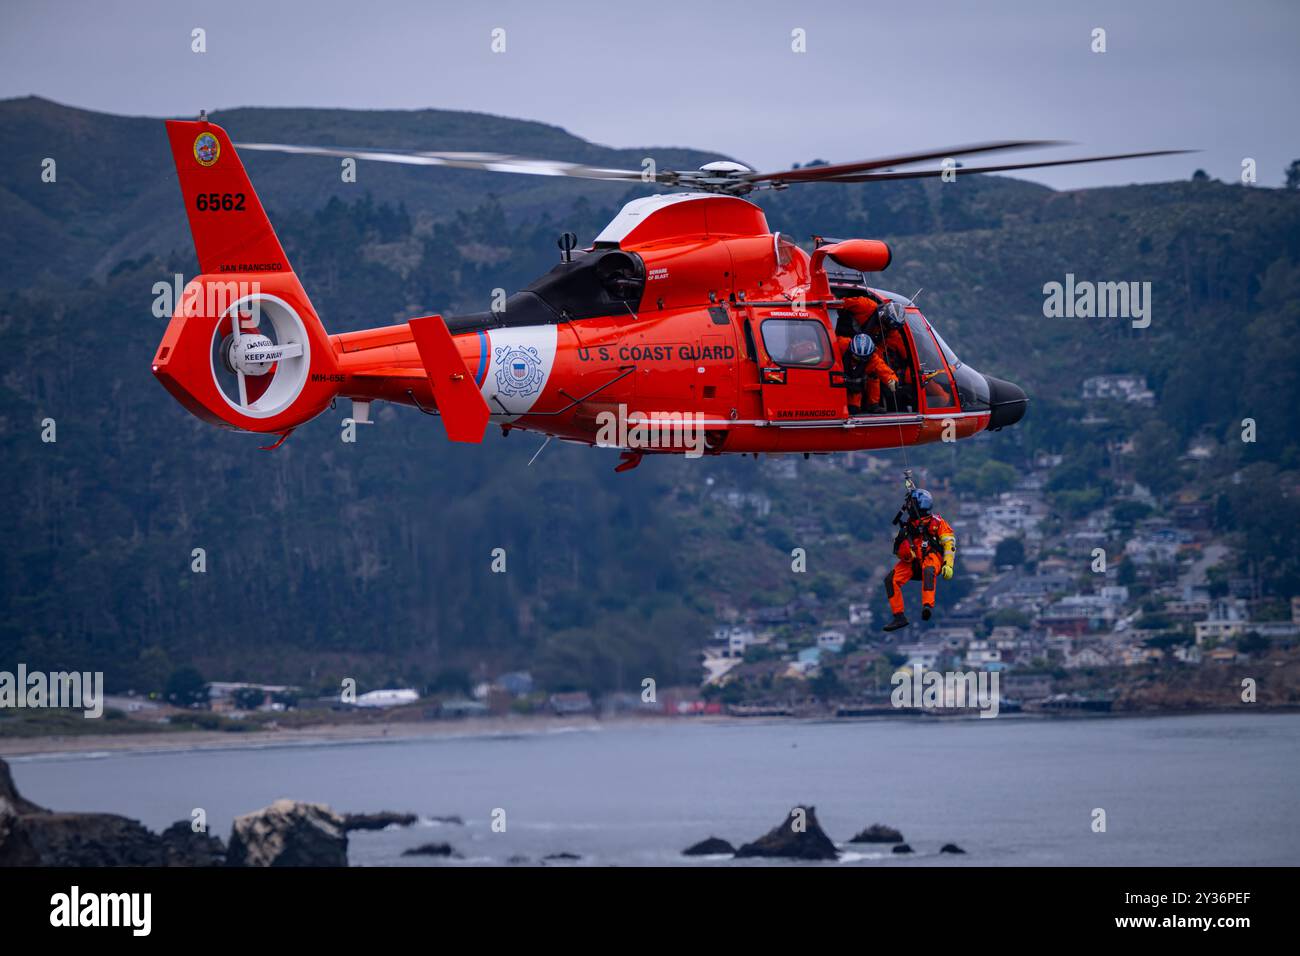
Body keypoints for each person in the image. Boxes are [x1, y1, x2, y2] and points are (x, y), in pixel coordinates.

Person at [882, 488, 956, 631]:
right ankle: (899, 617)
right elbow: (897, 549)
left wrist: (948, 564)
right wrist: (905, 552)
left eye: (911, 503)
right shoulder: (908, 526)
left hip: (932, 557)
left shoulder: (937, 522)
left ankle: (927, 605)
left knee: (929, 570)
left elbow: (949, 543)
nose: (908, 507)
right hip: (913, 560)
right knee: (890, 580)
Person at [843, 333, 898, 415]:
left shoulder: (873, 359)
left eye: (863, 358)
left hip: (855, 389)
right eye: (856, 356)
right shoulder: (842, 344)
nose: (860, 360)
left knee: (853, 410)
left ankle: (873, 405)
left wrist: (892, 380)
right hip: (838, 385)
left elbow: (884, 370)